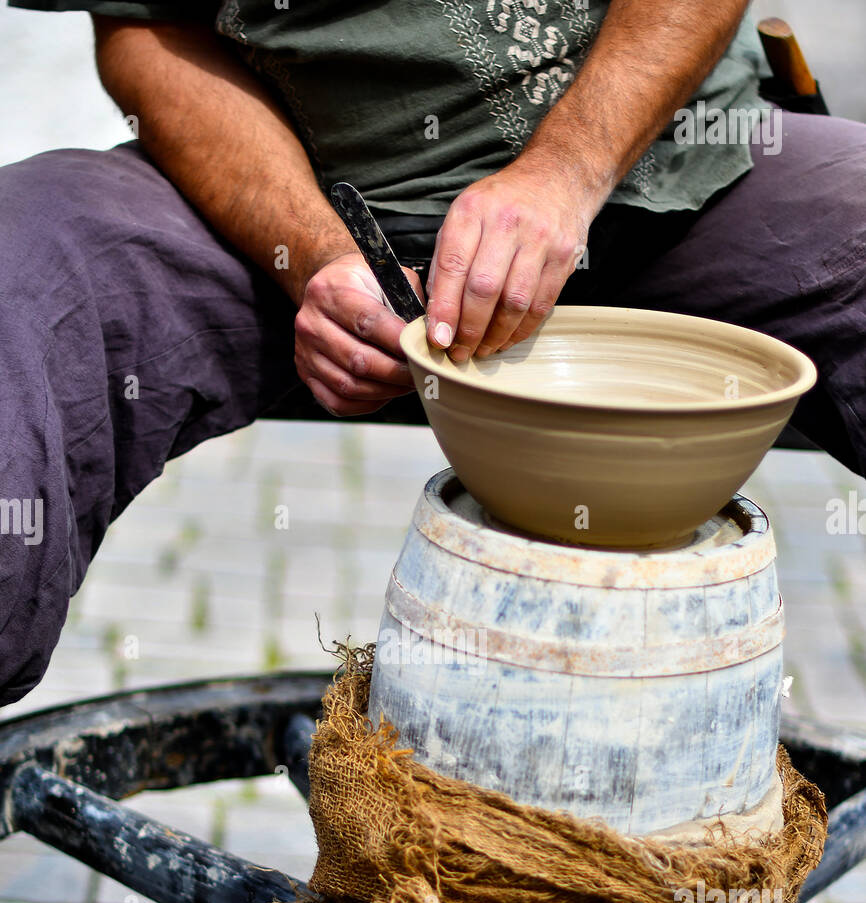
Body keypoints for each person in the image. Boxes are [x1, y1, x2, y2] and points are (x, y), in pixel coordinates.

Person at [0, 0, 863, 705]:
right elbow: (148, 29)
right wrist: (312, 257)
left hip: (668, 160)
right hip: (304, 197)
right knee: (24, 267)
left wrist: (565, 172)